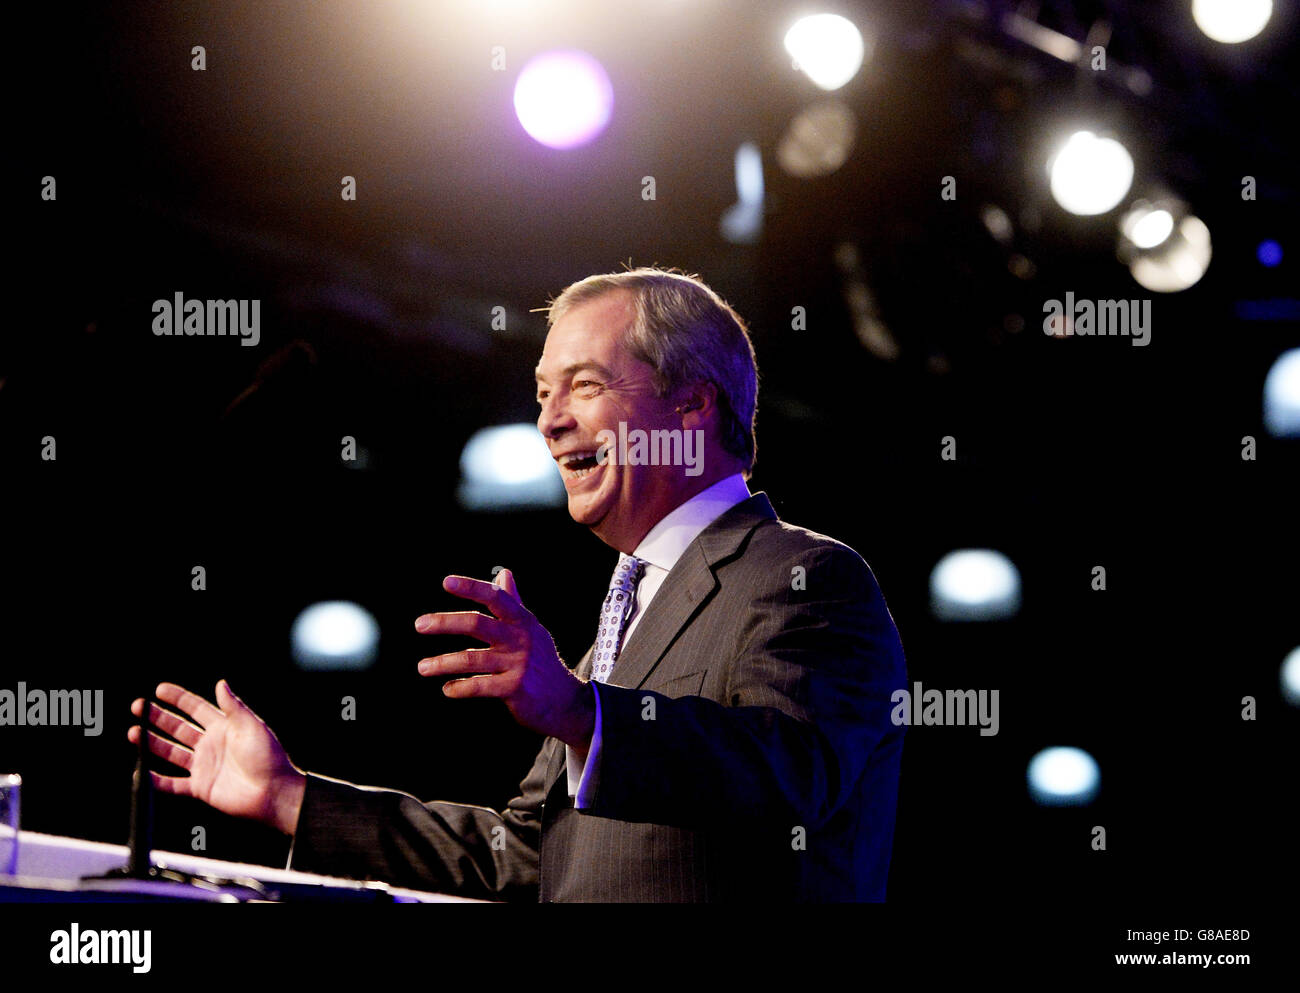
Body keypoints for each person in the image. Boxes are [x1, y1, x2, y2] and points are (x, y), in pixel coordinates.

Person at [128, 267, 908, 902]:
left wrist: (577, 707)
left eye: (586, 385)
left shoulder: (806, 577)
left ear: (692, 404)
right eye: (543, 393)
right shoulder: (628, 606)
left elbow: (790, 778)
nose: (550, 420)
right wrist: (293, 798)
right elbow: (528, 854)